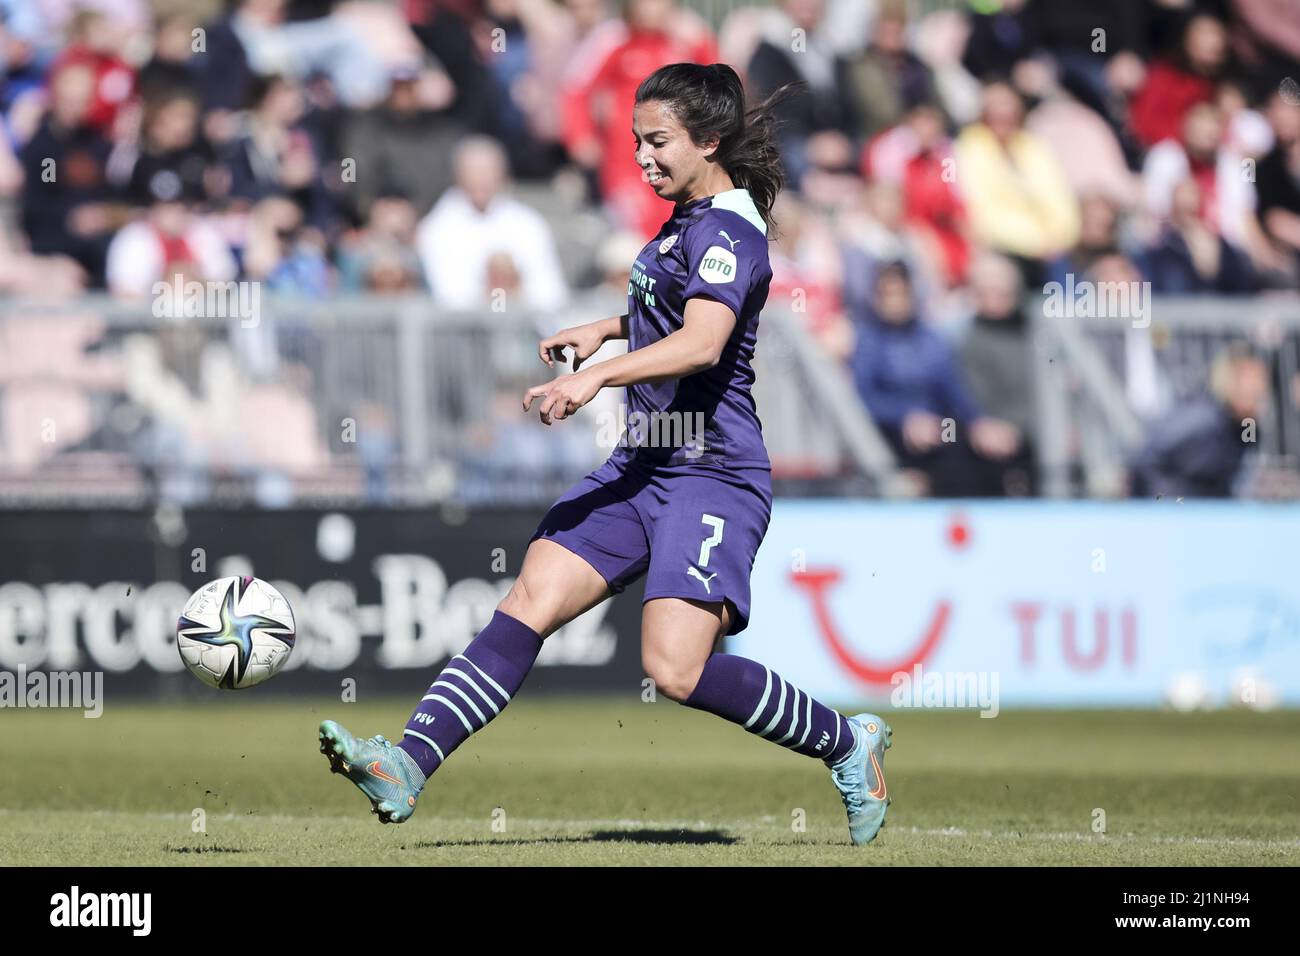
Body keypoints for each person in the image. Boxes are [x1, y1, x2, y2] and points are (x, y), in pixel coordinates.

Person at [318, 62, 893, 846]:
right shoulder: (684, 221)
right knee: (530, 600)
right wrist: (607, 327)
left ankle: (846, 742)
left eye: (659, 142)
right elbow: (670, 311)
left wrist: (596, 376)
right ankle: (408, 763)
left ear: (709, 141)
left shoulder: (728, 229)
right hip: (644, 465)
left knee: (675, 669)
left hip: (712, 472)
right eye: (637, 142)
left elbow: (703, 340)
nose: (644, 158)